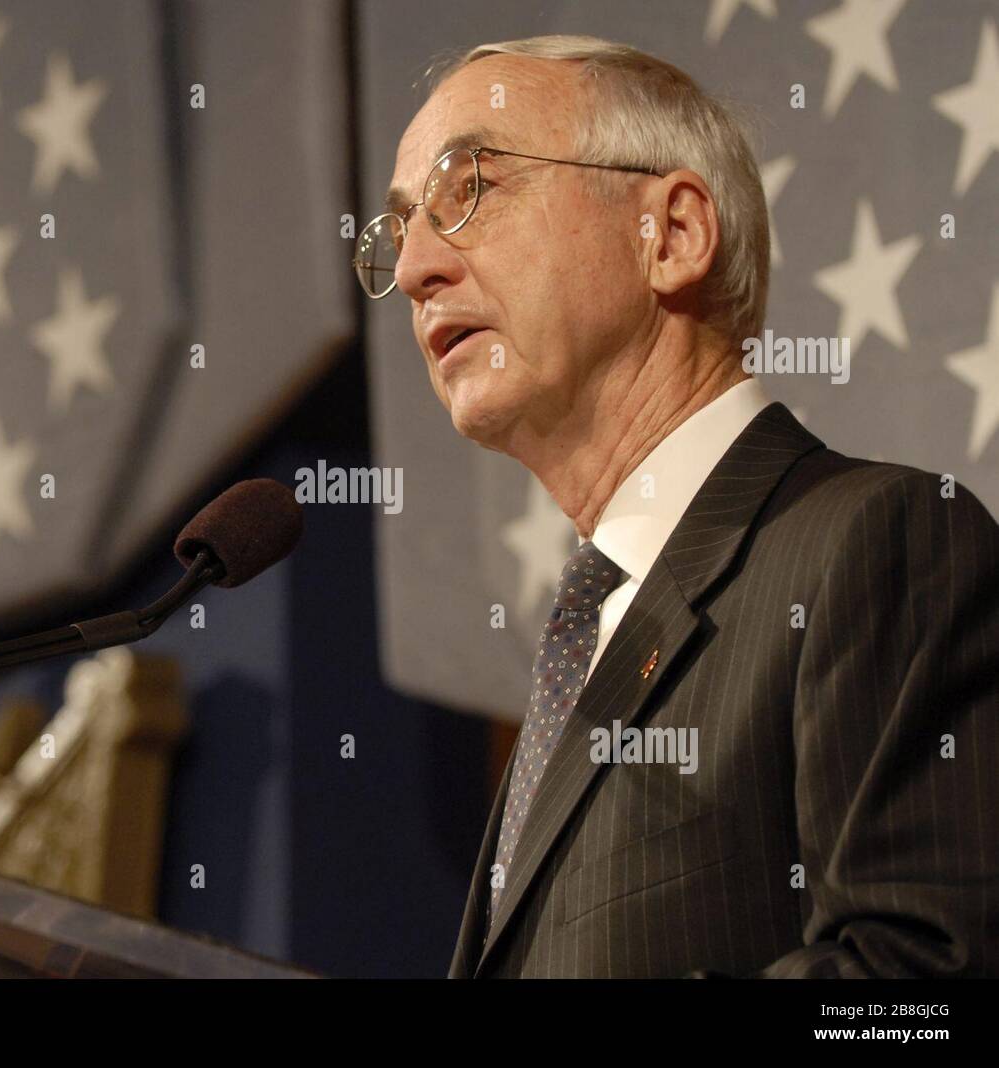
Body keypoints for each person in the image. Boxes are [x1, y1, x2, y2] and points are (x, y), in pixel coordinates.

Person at [354, 35, 999, 978]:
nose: (413, 270)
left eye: (468, 190)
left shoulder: (879, 547)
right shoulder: (585, 639)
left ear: (673, 234)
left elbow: (923, 994)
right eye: (400, 228)